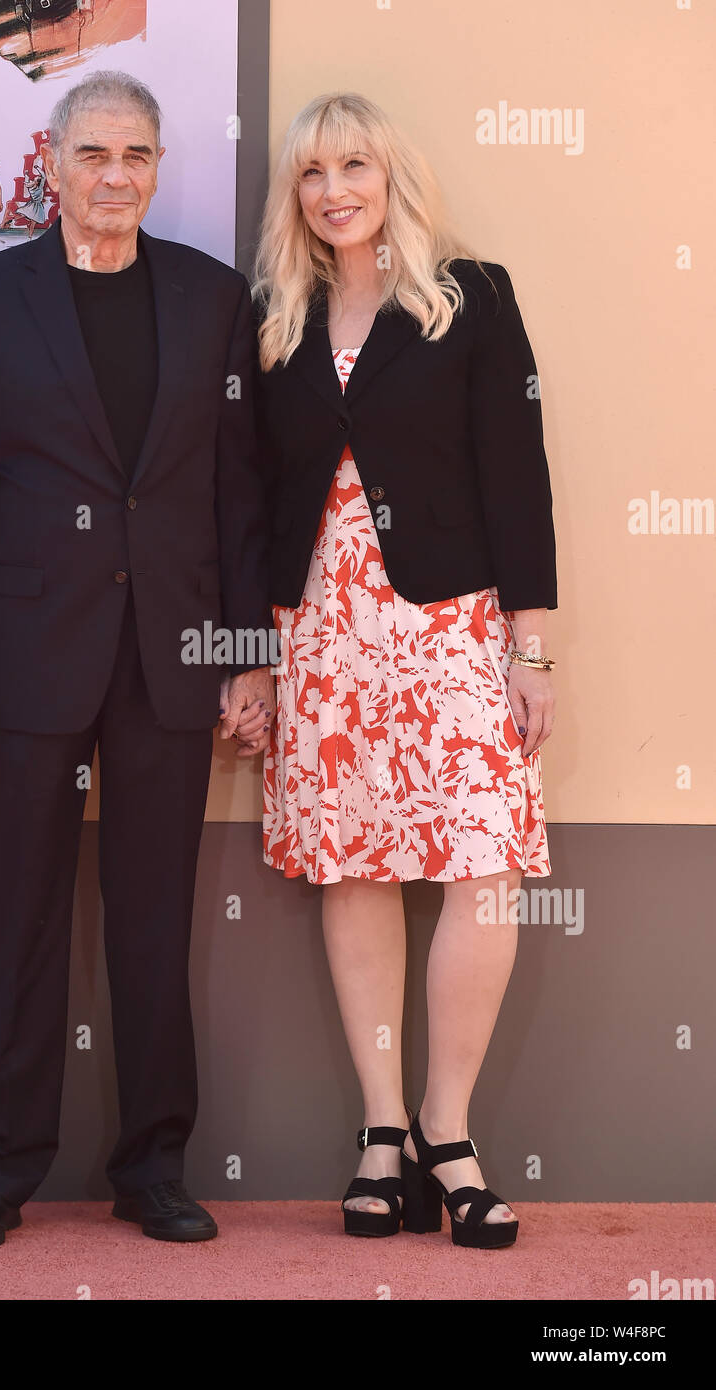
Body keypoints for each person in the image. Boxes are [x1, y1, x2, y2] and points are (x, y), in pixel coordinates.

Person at [0, 70, 273, 1249]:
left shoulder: (213, 301)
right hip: (21, 665)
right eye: (96, 154)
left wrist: (248, 652)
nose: (117, 177)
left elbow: (240, 496)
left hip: (173, 659)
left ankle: (153, 1167)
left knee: (156, 919)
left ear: (159, 169)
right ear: (50, 161)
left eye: (139, 156)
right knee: (25, 917)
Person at [251, 92, 557, 1249]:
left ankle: (449, 1128)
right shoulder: (275, 311)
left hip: (452, 627)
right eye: (314, 172)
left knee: (485, 860)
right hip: (322, 629)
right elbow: (249, 498)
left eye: (355, 166)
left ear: (392, 175)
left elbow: (516, 475)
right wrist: (252, 652)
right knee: (355, 865)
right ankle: (381, 1129)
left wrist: (531, 646)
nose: (335, 189)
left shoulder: (470, 298)